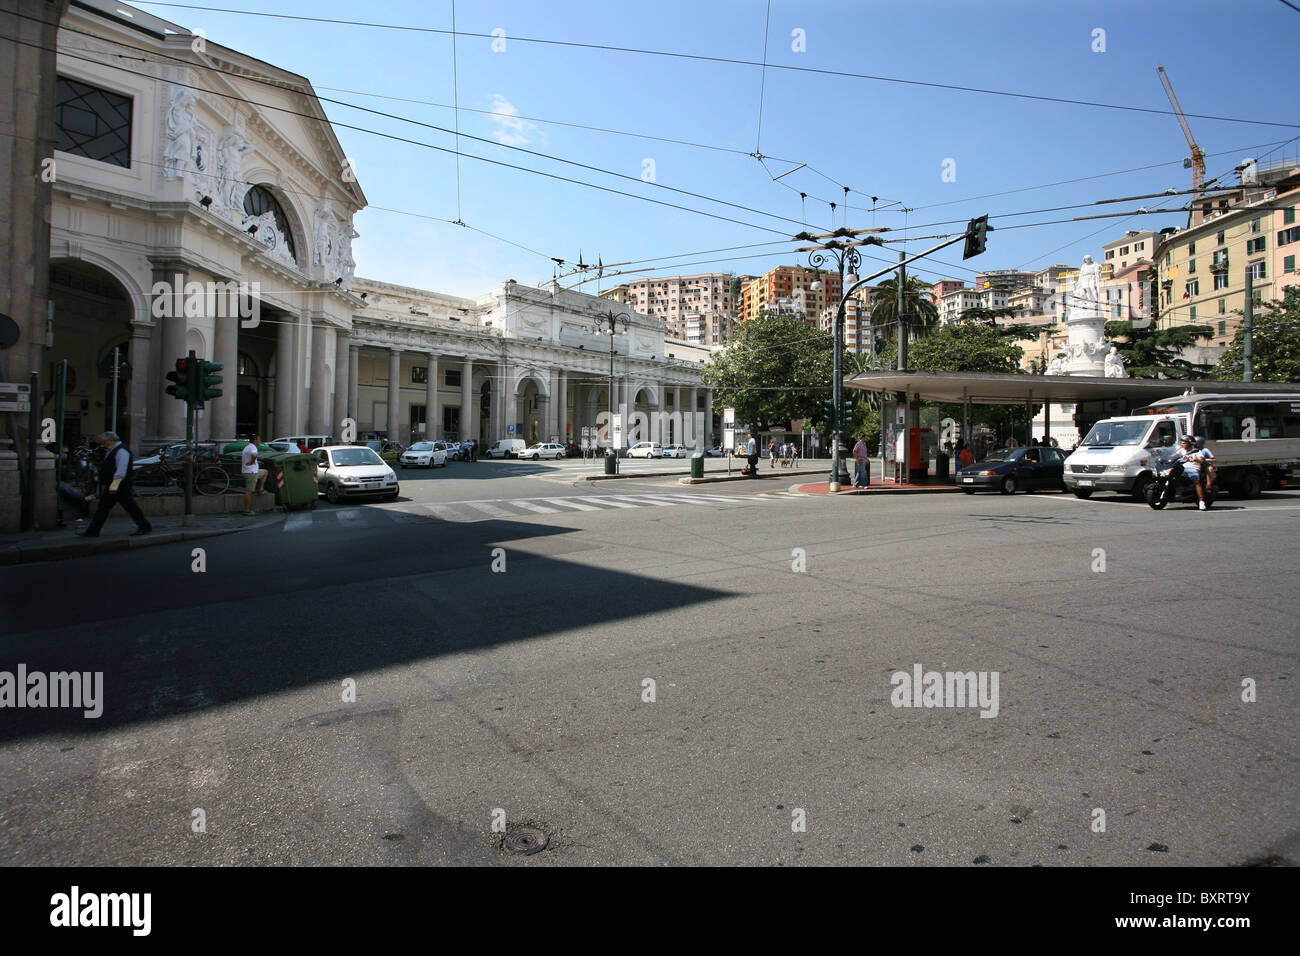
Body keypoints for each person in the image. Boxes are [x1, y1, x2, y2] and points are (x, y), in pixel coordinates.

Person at [78, 431, 151, 537]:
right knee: (107, 507)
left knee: (127, 507)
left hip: (119, 485)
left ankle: (144, 526)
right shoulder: (113, 450)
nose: (102, 443)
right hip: (115, 484)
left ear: (111, 440)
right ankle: (93, 530)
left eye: (104, 441)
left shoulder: (121, 451)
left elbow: (121, 471)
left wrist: (114, 485)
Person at [1172, 435, 1208, 510]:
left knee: (1196, 481)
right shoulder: (1181, 450)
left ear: (1189, 443)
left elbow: (1201, 460)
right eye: (1182, 443)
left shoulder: (1197, 451)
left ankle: (1201, 501)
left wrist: (1195, 459)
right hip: (1182, 467)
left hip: (1192, 468)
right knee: (1170, 474)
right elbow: (1174, 456)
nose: (1182, 444)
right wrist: (1168, 458)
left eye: (1184, 443)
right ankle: (1177, 491)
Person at [242, 434, 268, 515]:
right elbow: (254, 455)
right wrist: (252, 462)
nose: (260, 441)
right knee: (249, 492)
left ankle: (260, 489)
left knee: (265, 472)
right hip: (251, 472)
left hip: (253, 471)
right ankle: (247, 510)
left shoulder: (248, 447)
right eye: (259, 440)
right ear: (255, 440)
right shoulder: (253, 447)